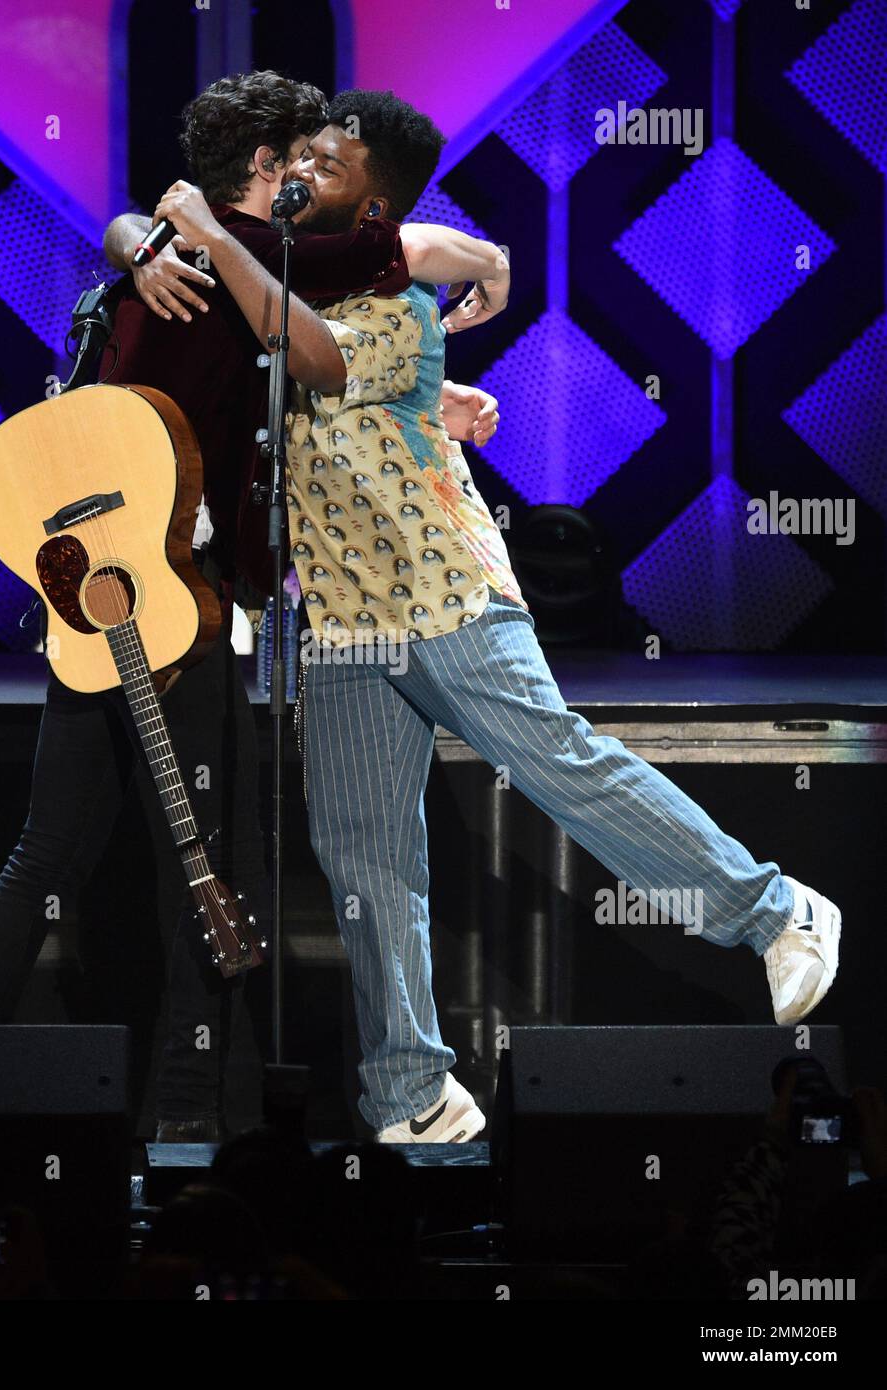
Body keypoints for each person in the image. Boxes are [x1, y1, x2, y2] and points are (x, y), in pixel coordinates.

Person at [154, 88, 843, 1145]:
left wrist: (210, 235)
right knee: (365, 856)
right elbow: (170, 271)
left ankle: (774, 910)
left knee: (560, 760)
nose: (300, 173)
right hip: (338, 620)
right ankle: (412, 1093)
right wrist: (162, 236)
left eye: (326, 165)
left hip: (443, 596)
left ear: (371, 207)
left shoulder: (396, 306)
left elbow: (310, 354)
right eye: (299, 155)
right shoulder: (291, 272)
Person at [0, 71, 503, 1144]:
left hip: (91, 614)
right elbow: (399, 256)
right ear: (262, 167)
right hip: (181, 616)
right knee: (212, 878)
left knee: (49, 847)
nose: (309, 172)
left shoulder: (161, 271)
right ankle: (202, 1125)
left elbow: (268, 375)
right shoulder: (231, 264)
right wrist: (487, 257)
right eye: (299, 154)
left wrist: (426, 395)